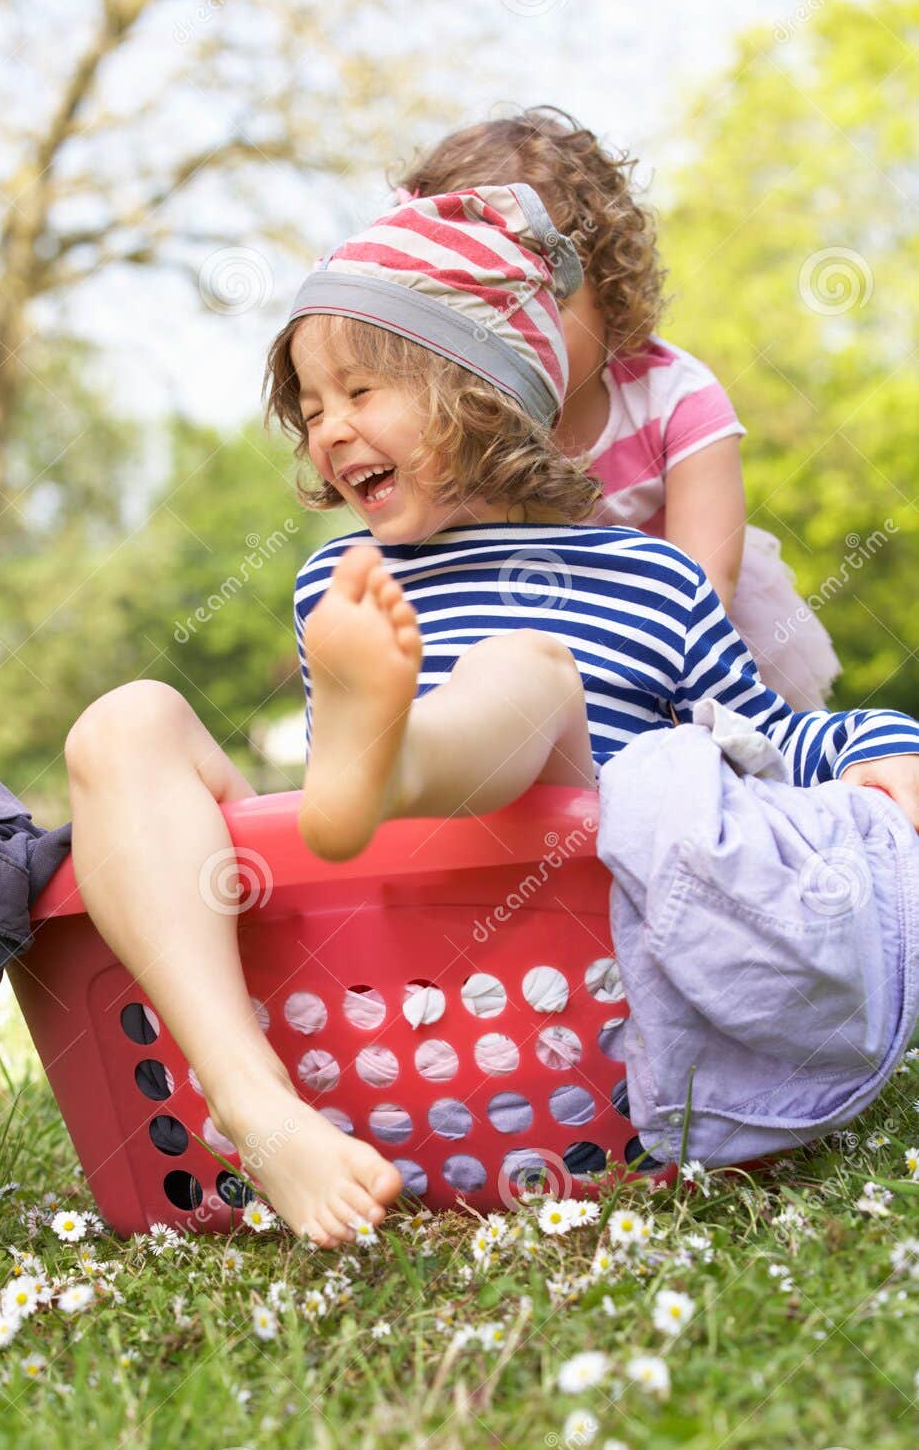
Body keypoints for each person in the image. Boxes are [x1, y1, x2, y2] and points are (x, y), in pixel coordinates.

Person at [64, 184, 919, 1252]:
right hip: (372, 1034)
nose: (329, 431)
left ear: (480, 386)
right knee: (122, 721)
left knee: (528, 667)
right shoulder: (347, 580)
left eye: (360, 390)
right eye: (312, 408)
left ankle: (389, 756)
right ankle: (253, 1102)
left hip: (565, 1034)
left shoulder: (648, 577)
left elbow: (764, 737)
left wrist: (885, 746)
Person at [399, 108, 842, 710]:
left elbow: (703, 588)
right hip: (513, 652)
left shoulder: (674, 397)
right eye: (485, 308)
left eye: (548, 297)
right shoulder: (453, 420)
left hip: (684, 653)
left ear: (610, 285)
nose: (524, 333)